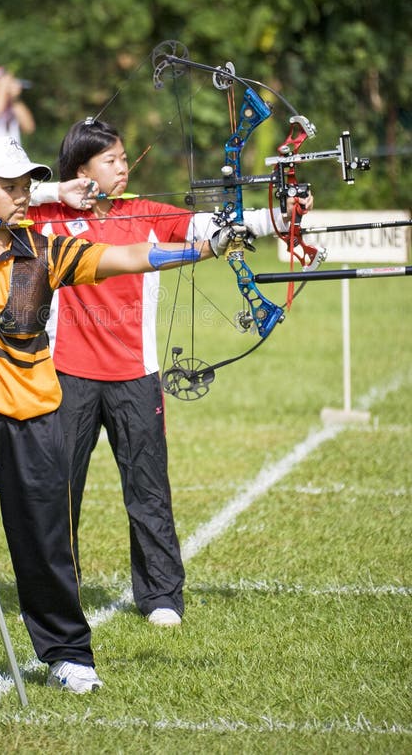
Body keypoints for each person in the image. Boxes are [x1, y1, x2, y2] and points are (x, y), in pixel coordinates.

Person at [0, 134, 227, 695]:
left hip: (37, 419)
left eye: (27, 183)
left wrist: (202, 249)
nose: (24, 194)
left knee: (45, 546)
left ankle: (68, 656)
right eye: (9, 185)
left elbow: (126, 256)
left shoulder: (47, 247)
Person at [28, 118, 314, 628]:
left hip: (135, 375)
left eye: (122, 157)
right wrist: (57, 191)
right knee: (58, 488)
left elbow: (218, 228)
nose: (123, 167)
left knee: (148, 488)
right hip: (65, 373)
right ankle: (55, 592)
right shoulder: (46, 216)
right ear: (81, 170)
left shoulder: (145, 213)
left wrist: (281, 214)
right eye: (110, 160)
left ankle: (161, 595)